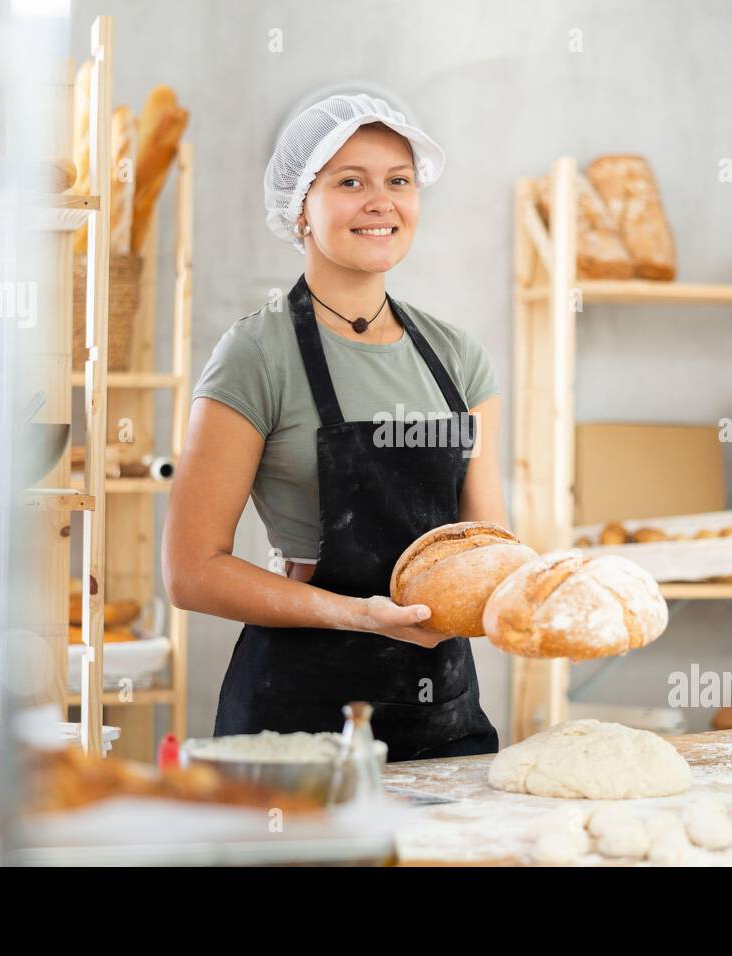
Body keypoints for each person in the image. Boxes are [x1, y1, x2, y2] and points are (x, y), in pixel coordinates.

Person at [163, 93, 506, 761]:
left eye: (398, 181)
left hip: (443, 715)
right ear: (300, 208)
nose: (381, 202)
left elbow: (489, 547)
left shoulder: (458, 357)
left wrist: (543, 592)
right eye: (350, 181)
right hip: (297, 722)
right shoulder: (257, 353)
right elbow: (191, 571)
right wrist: (355, 613)